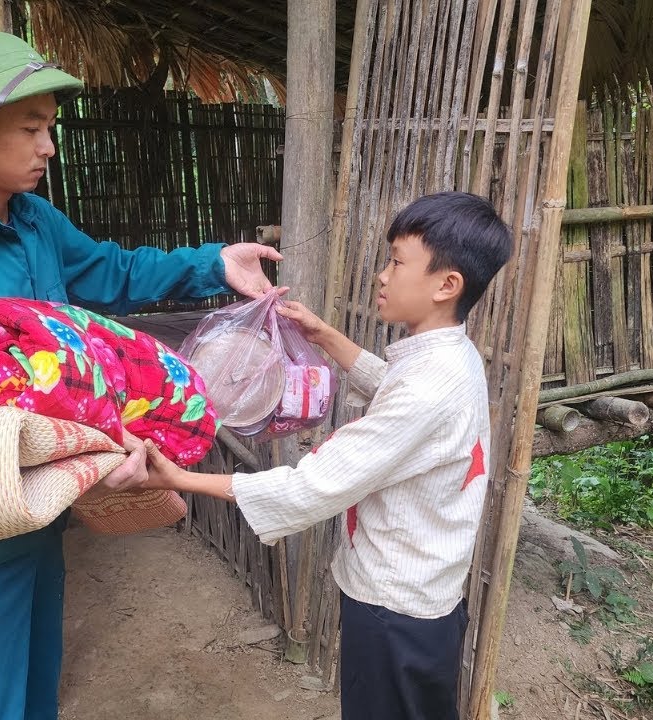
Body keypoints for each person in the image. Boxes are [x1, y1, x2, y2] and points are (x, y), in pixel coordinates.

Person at [0, 31, 281, 720]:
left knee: (31, 698)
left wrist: (213, 264)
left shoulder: (34, 225)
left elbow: (111, 273)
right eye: (30, 129)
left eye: (48, 127)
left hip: (36, 517)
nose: (49, 146)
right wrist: (87, 441)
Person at [144, 192, 513, 719]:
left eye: (397, 262)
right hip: (422, 602)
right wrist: (327, 338)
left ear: (446, 285)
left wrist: (182, 479)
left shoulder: (430, 387)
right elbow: (397, 394)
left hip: (393, 612)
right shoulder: (454, 358)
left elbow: (312, 487)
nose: (383, 276)